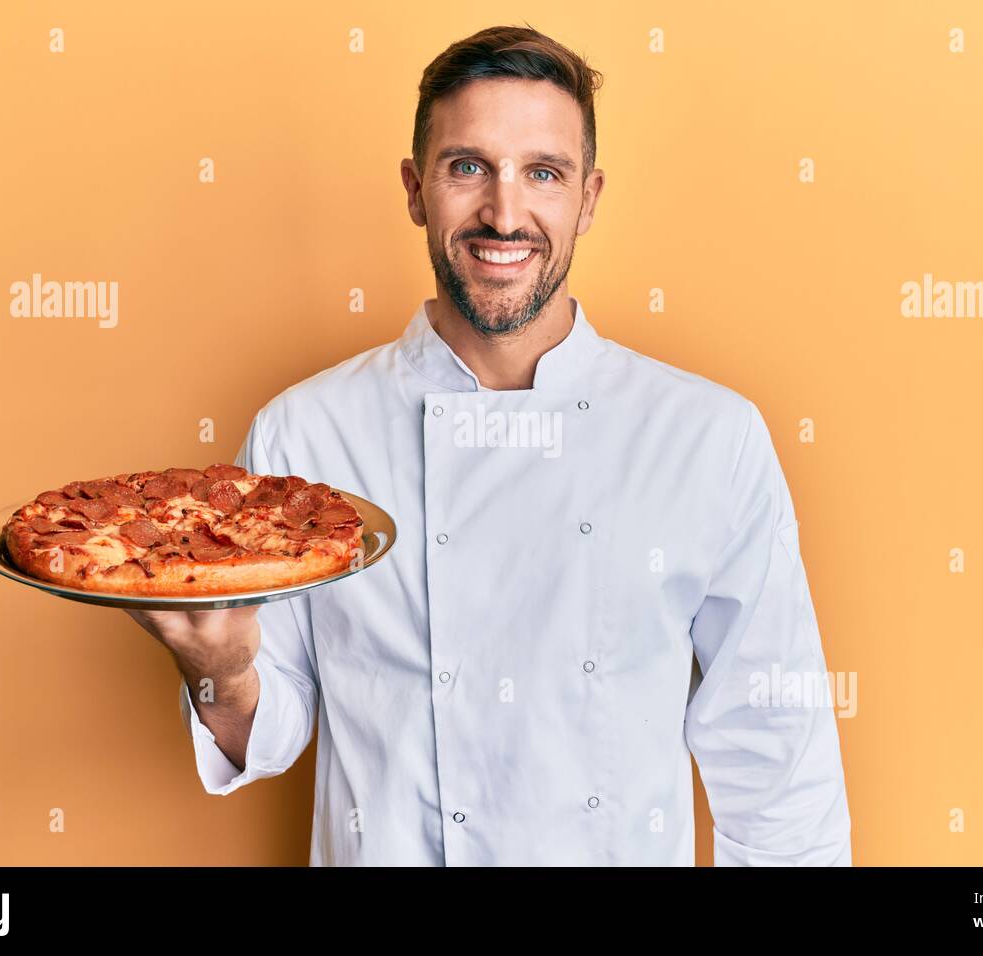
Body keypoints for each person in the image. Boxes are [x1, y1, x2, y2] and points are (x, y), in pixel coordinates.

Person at [126, 24, 852, 866]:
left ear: (588, 198)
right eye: (467, 166)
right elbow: (271, 733)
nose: (505, 213)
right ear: (414, 188)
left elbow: (775, 764)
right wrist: (216, 671)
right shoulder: (304, 434)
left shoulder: (707, 439)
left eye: (543, 173)